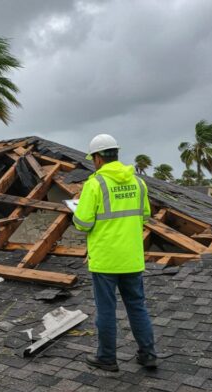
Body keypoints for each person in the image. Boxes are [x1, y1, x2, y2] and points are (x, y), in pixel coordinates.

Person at [72, 134, 157, 372]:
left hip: (106, 260)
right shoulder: (138, 182)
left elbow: (83, 223)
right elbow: (145, 215)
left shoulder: (95, 184)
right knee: (137, 307)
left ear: (98, 158)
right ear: (116, 154)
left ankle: (107, 358)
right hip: (132, 257)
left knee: (106, 310)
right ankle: (148, 355)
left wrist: (77, 210)